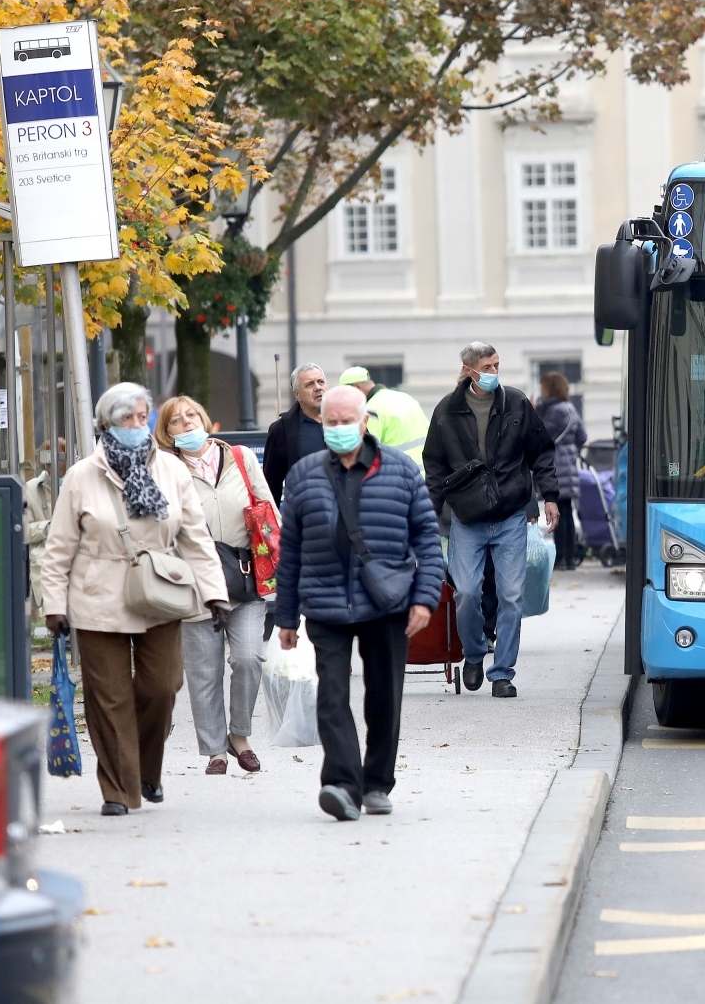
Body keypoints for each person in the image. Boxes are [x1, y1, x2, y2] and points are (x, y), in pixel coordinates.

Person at [39, 383, 229, 815]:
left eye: (143, 416)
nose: (137, 424)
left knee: (161, 687)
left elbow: (196, 539)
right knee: (109, 697)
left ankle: (146, 769)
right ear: (106, 424)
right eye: (127, 418)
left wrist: (215, 594)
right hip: (97, 596)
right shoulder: (83, 475)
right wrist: (54, 605)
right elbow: (59, 547)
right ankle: (119, 790)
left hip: (159, 590)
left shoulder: (171, 470)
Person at [275, 385, 442, 822]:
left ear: (365, 422)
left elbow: (427, 537)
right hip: (325, 603)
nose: (340, 429)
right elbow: (289, 549)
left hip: (387, 603)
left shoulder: (401, 471)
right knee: (331, 696)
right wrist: (286, 615)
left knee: (384, 696)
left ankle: (377, 783)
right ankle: (342, 785)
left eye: (347, 421)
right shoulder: (304, 475)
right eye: (331, 422)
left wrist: (425, 599)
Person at [423, 342, 559, 699]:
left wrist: (551, 497)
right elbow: (435, 466)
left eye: (497, 365)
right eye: (487, 366)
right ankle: (473, 654)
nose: (494, 372)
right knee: (466, 592)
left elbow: (541, 452)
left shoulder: (514, 403)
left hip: (511, 515)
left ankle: (502, 673)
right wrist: (428, 512)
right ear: (469, 370)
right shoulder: (447, 411)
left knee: (511, 595)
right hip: (466, 518)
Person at [155, 395, 275, 776]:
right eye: (176, 421)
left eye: (192, 416)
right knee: (204, 671)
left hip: (245, 578)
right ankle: (214, 751)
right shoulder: (164, 469)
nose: (187, 424)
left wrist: (278, 564)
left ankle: (239, 735)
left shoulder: (240, 457)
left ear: (205, 419)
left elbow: (269, 511)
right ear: (167, 432)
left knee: (249, 658)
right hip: (194, 584)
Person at [537, 372, 587, 571]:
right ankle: (570, 557)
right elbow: (582, 436)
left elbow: (541, 434)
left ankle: (560, 558)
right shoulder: (570, 409)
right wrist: (571, 451)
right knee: (566, 513)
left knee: (558, 514)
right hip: (569, 467)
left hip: (555, 467)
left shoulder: (552, 410)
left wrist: (535, 411)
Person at [337, 366, 431, 468]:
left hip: (398, 475)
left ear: (357, 388)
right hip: (422, 474)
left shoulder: (371, 410)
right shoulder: (406, 398)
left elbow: (366, 454)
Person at [263, 363, 327, 503]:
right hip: (304, 514)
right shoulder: (283, 429)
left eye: (321, 382)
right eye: (310, 384)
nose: (318, 387)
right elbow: (271, 483)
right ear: (297, 394)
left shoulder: (346, 420)